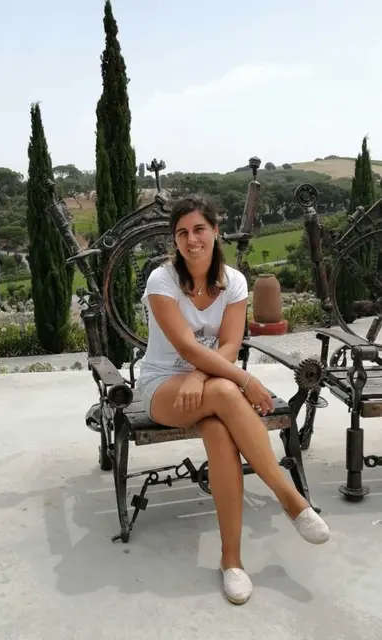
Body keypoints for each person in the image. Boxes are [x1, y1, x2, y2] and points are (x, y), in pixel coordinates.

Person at [136, 194, 330, 605]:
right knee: (227, 391)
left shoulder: (233, 282)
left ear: (215, 231)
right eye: (182, 233)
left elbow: (227, 345)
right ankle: (290, 499)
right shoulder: (162, 281)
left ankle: (232, 561)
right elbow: (186, 346)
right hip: (163, 387)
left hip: (208, 385)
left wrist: (202, 376)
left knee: (220, 433)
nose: (191, 240)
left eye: (199, 229)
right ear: (175, 240)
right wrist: (244, 380)